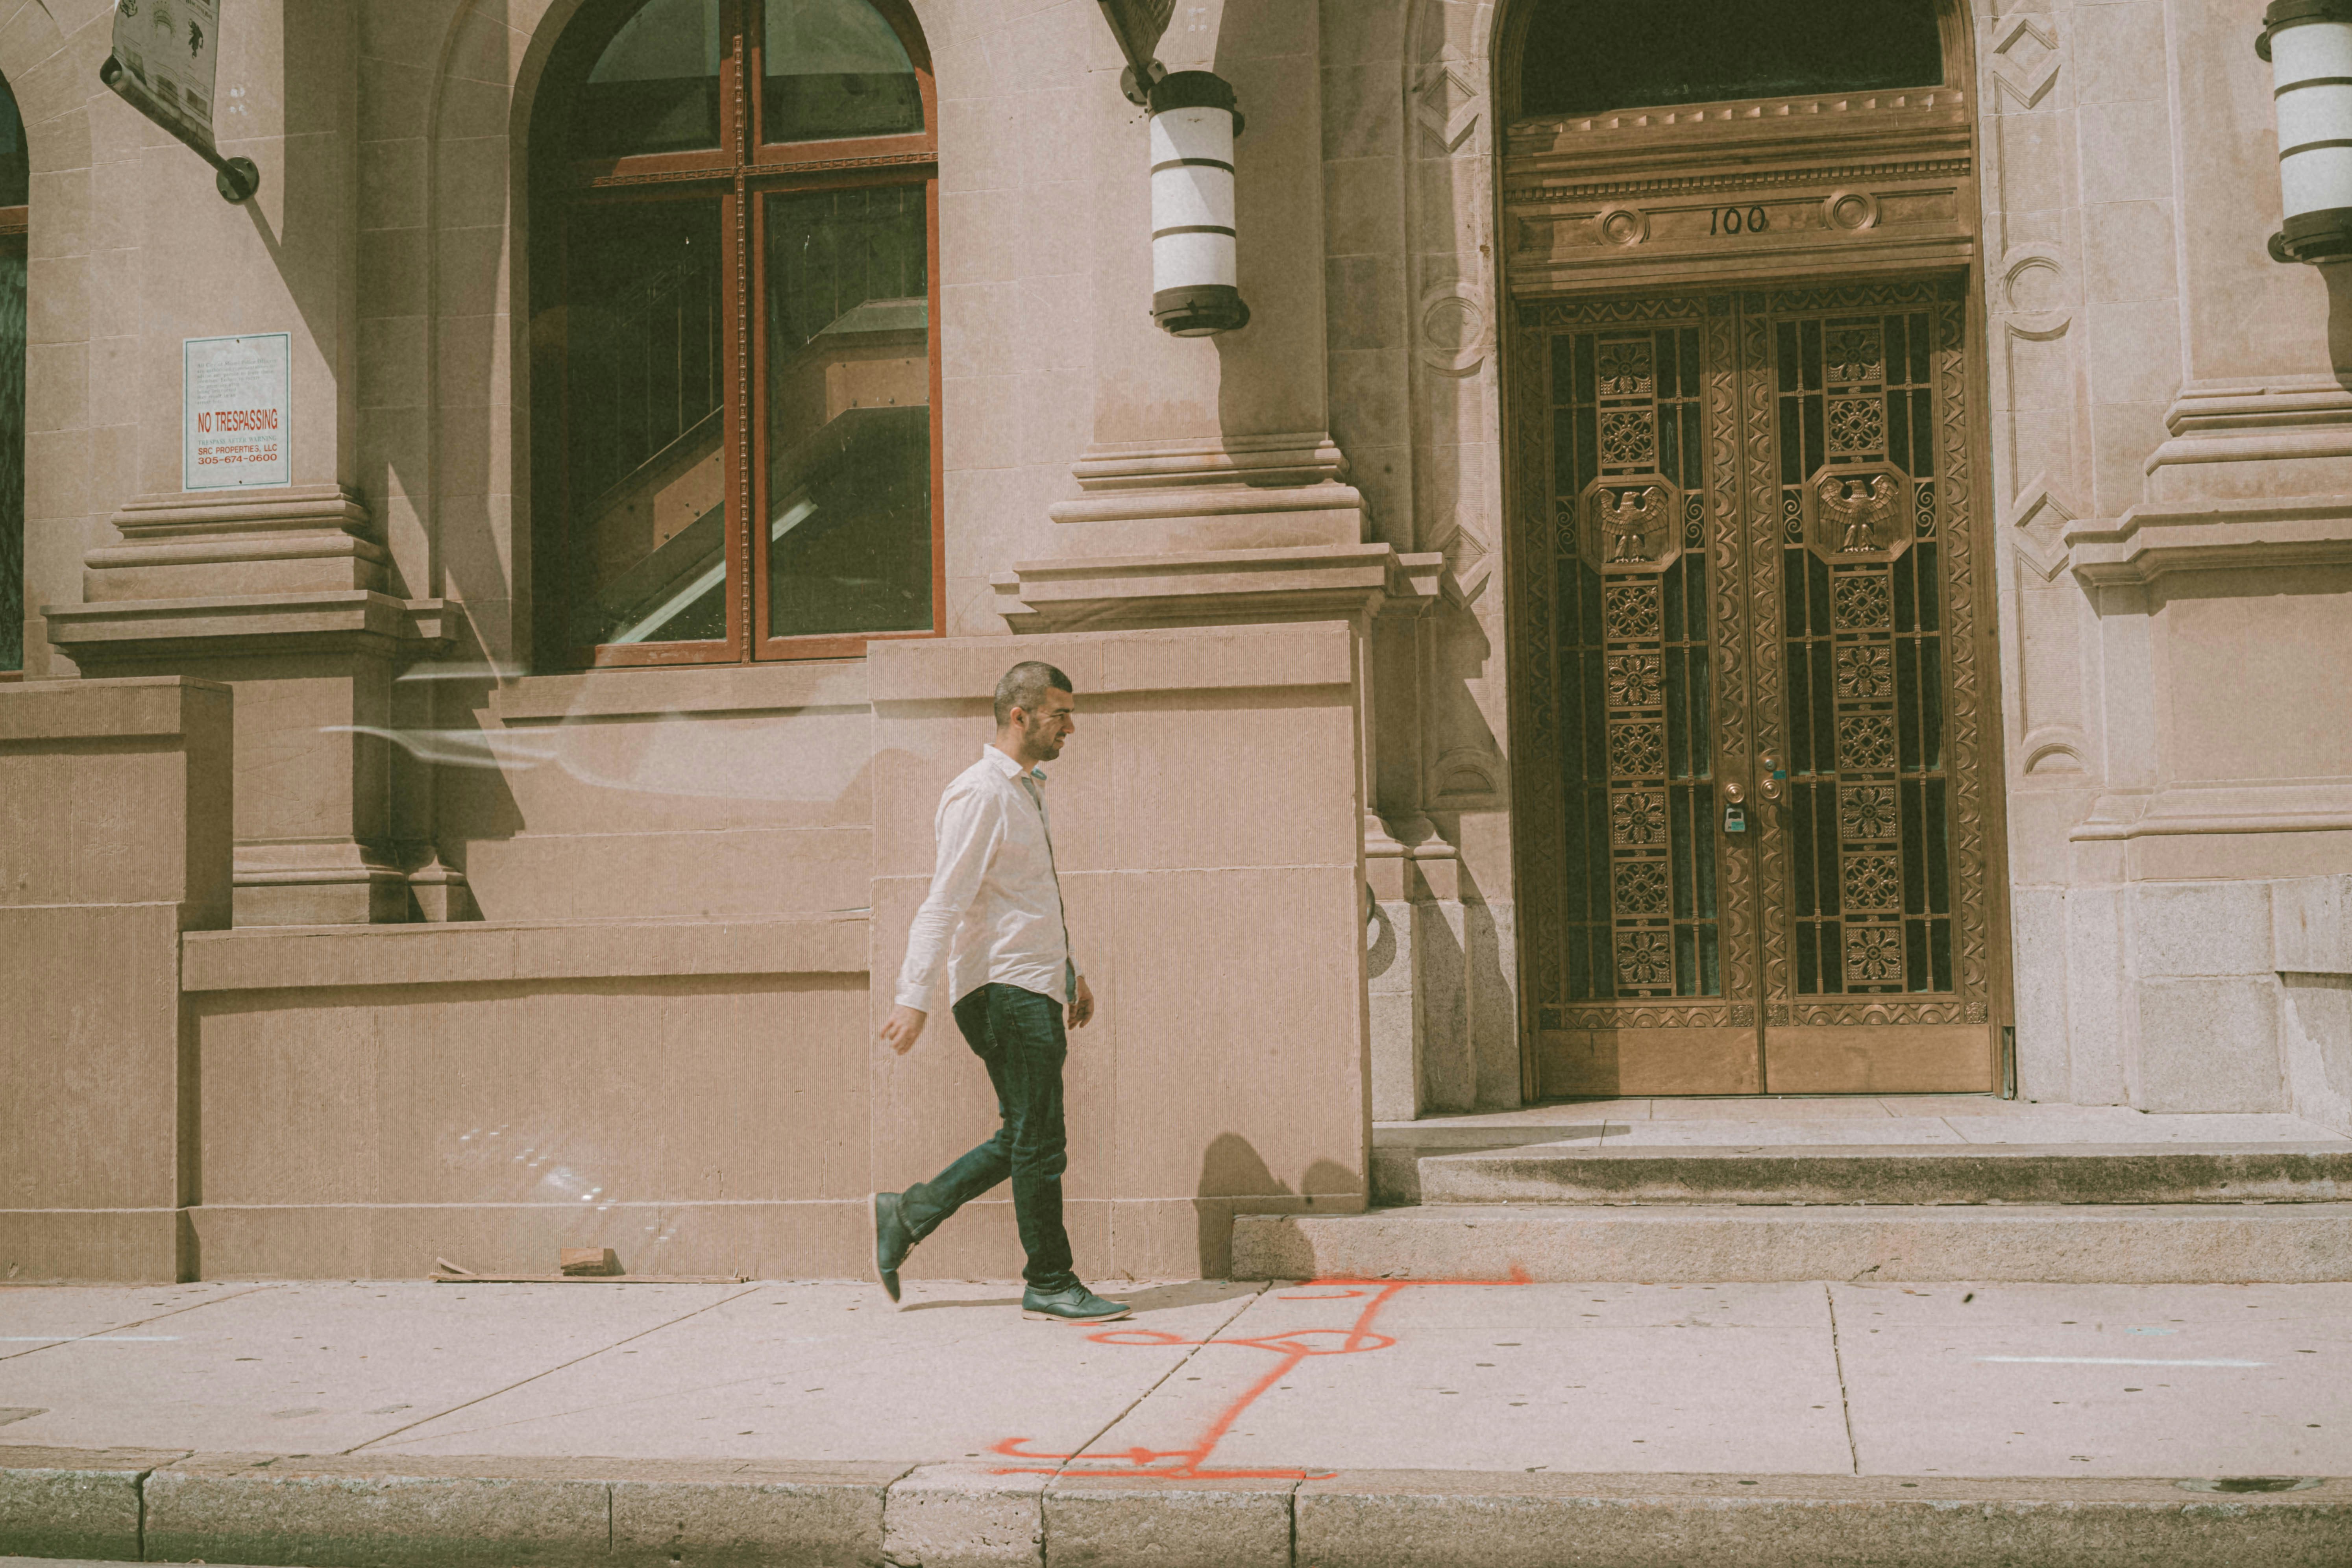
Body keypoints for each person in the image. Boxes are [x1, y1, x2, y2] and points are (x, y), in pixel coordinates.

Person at [870, 661, 1129, 1324]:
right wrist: (912, 996)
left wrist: (1069, 973)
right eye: (1059, 713)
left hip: (1031, 981)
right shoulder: (981, 793)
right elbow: (943, 902)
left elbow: (1025, 898)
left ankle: (909, 1212)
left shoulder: (1025, 790)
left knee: (1025, 1135)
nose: (1071, 726)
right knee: (1040, 1141)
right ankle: (1048, 1279)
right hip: (1003, 988)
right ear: (1020, 716)